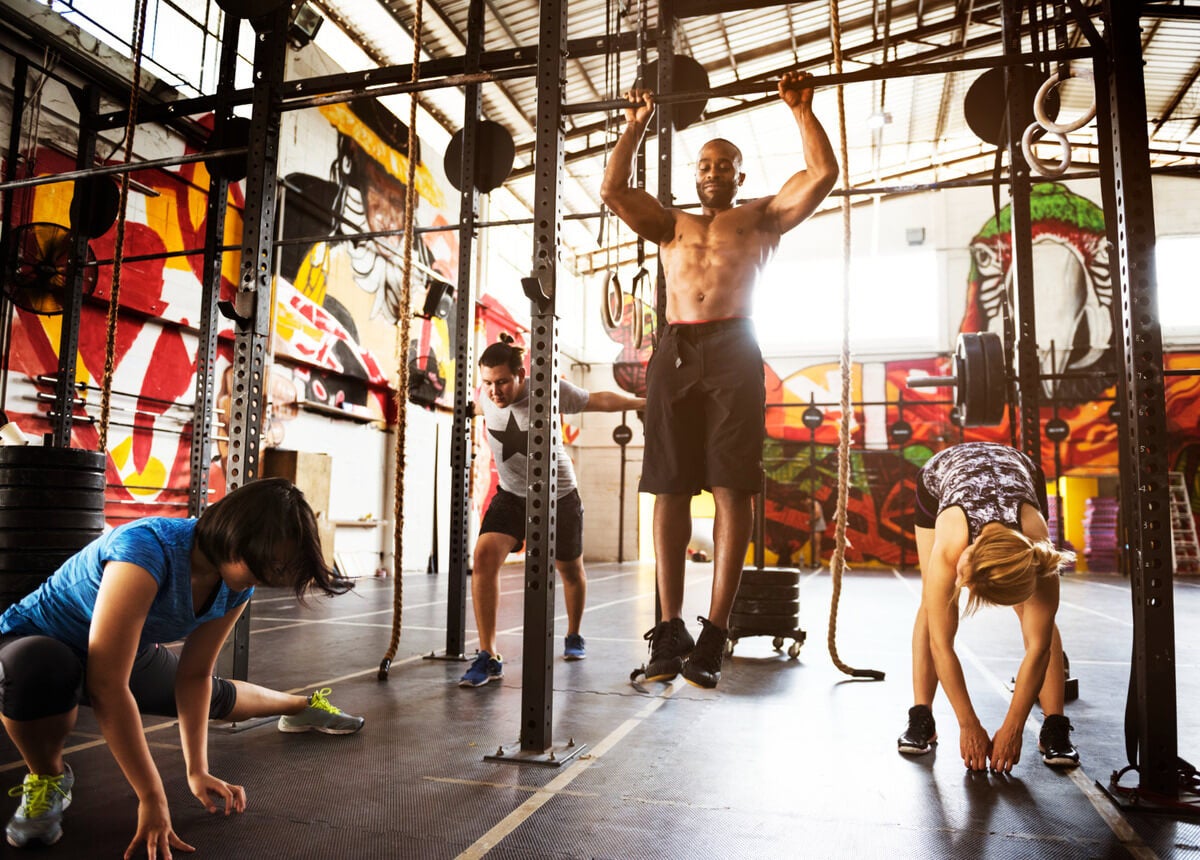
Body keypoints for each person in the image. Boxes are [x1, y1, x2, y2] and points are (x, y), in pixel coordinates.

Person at [600, 70, 837, 688]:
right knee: (669, 484)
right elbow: (612, 188)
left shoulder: (761, 219)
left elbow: (821, 176)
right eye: (704, 165)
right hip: (676, 347)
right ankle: (670, 628)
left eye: (723, 164)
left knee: (733, 486)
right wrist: (635, 124)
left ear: (739, 175)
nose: (712, 172)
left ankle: (716, 631)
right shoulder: (670, 224)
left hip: (735, 342)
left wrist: (801, 110)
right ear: (694, 176)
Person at [0, 478, 364, 854]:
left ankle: (301, 707)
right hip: (38, 642)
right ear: (236, 536)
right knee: (38, 668)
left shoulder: (238, 584)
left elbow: (195, 677)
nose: (273, 576)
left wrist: (197, 769)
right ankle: (48, 776)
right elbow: (108, 686)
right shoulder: (145, 550)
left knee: (214, 697)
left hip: (125, 652)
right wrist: (152, 797)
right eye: (270, 563)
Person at [459, 335, 645, 687]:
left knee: (569, 569)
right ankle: (488, 655)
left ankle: (574, 634)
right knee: (484, 558)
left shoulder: (547, 390)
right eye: (487, 383)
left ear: (520, 374)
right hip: (513, 494)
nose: (495, 391)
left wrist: (643, 402)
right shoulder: (487, 397)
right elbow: (476, 408)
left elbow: (599, 400)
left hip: (559, 494)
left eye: (502, 382)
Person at [897, 441, 1080, 772]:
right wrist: (968, 724)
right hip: (943, 473)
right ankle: (921, 716)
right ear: (970, 558)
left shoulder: (1035, 546)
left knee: (1039, 618)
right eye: (966, 580)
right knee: (933, 602)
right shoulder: (952, 541)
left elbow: (1039, 649)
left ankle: (1055, 724)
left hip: (1022, 474)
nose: (961, 585)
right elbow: (942, 645)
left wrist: (1013, 727)